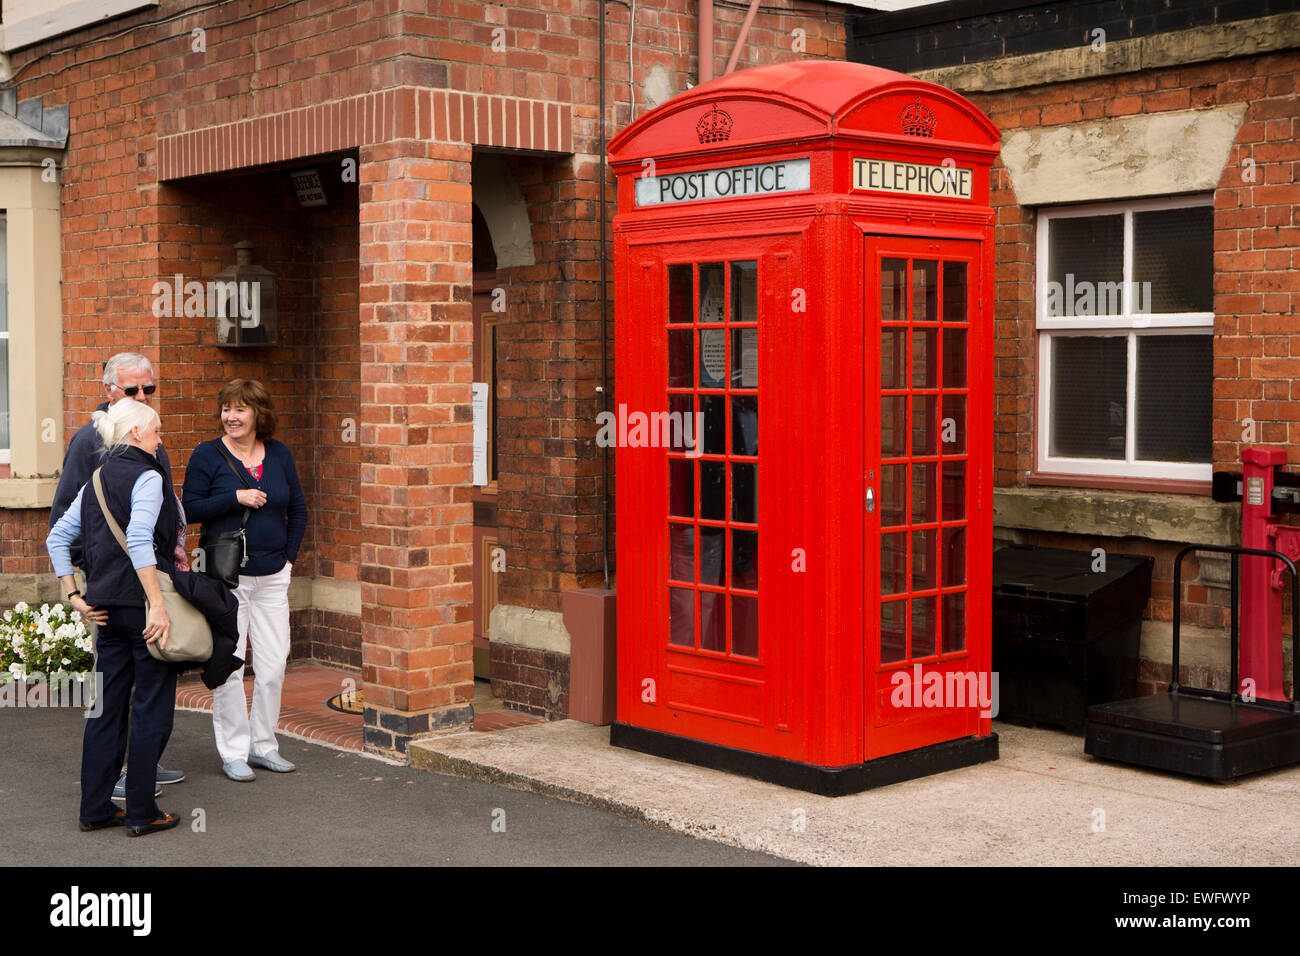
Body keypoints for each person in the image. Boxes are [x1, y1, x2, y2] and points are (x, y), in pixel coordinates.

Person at [48, 352, 185, 799]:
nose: (144, 397)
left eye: (150, 389)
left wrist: (76, 595)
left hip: (110, 595)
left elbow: (63, 534)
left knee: (114, 701)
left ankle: (102, 799)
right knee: (146, 698)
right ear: (109, 392)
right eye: (133, 391)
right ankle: (136, 795)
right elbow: (75, 528)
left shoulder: (139, 445)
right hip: (136, 595)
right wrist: (152, 598)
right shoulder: (91, 444)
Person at [183, 380, 307, 782]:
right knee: (231, 666)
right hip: (226, 579)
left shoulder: (279, 454)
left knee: (272, 666)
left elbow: (299, 510)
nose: (231, 417)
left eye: (240, 409)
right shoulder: (207, 454)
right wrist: (234, 498)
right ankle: (234, 751)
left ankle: (264, 744)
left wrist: (287, 559)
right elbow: (189, 507)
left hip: (273, 577)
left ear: (258, 415)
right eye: (226, 409)